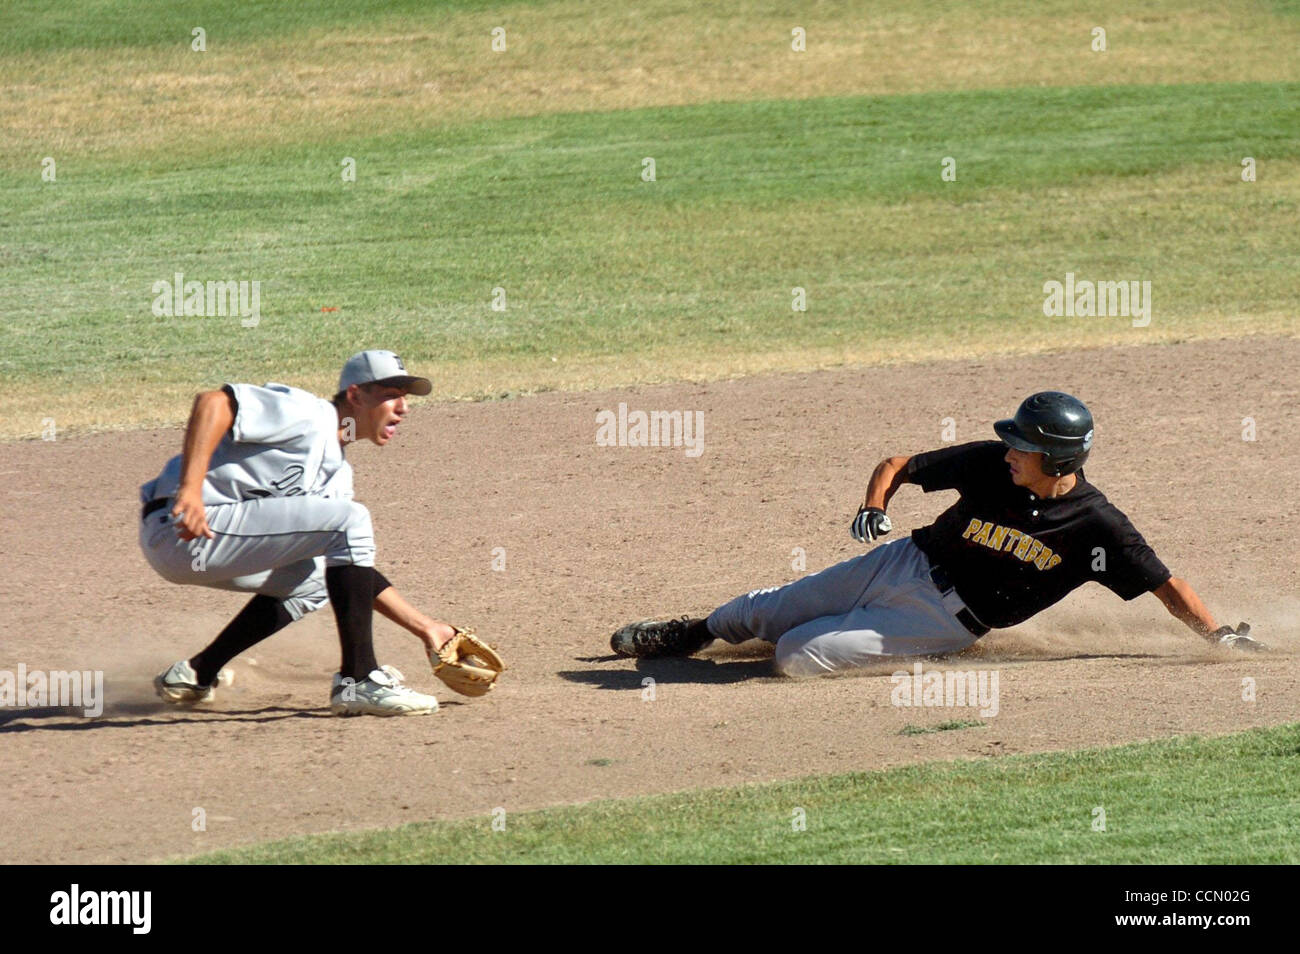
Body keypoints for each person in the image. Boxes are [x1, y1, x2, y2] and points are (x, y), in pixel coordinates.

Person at [611, 391, 1261, 675]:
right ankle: (693, 634)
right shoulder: (990, 463)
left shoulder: (1097, 526)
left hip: (949, 622)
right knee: (760, 611)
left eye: (1024, 445)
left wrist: (1219, 636)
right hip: (903, 561)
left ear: (1059, 461)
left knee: (796, 655)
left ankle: (834, 636)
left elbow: (1164, 584)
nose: (1009, 449)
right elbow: (899, 465)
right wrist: (873, 504)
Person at [140, 349, 462, 715]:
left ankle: (197, 673)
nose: (403, 407)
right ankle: (359, 679)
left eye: (405, 398)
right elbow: (212, 403)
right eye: (391, 394)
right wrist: (192, 489)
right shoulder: (308, 414)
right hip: (181, 523)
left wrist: (427, 628)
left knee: (317, 577)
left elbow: (353, 572)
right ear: (355, 396)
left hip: (206, 542)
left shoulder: (338, 479)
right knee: (350, 520)